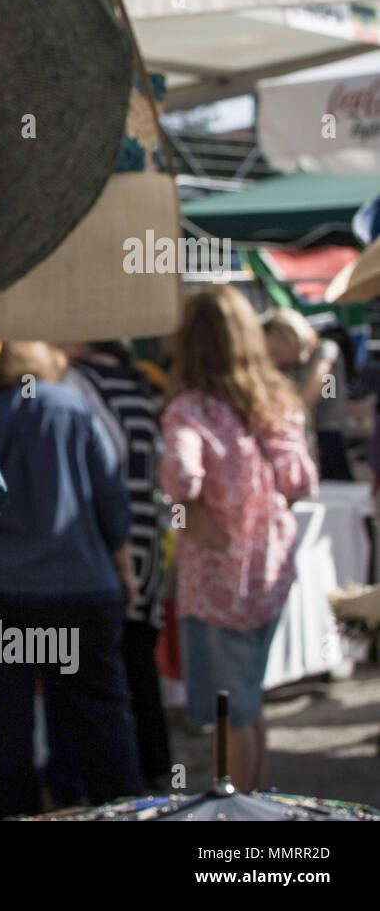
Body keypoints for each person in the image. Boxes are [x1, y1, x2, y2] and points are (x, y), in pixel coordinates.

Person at [0, 341, 144, 819]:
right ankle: (125, 814)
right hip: (79, 591)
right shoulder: (72, 404)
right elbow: (112, 496)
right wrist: (125, 569)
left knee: (0, 731)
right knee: (101, 722)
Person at [161, 286, 317, 793]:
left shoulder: (190, 410)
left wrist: (191, 509)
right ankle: (260, 800)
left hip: (216, 583)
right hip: (270, 574)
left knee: (232, 711)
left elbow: (180, 480)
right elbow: (301, 482)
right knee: (250, 700)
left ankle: (237, 812)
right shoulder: (277, 403)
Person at [62, 340, 172, 789]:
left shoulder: (81, 382)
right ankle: (154, 768)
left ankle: (126, 784)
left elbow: (104, 472)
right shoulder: (139, 381)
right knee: (137, 658)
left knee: (110, 674)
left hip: (111, 544)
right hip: (143, 536)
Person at [263, 306, 351, 481]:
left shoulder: (326, 352)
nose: (275, 359)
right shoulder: (289, 365)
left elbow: (313, 394)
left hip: (325, 435)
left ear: (288, 337)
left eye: (275, 353)